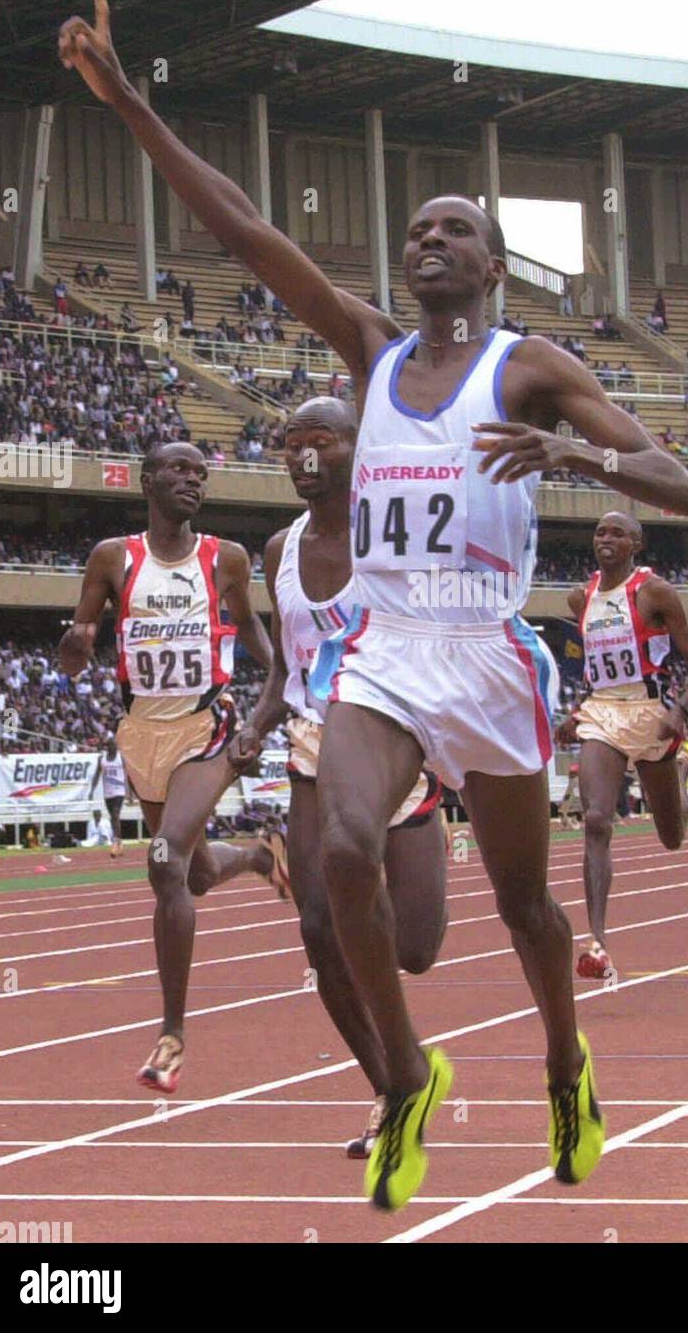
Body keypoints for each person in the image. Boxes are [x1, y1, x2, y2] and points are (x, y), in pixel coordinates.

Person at [58, 0, 688, 1210]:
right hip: (392, 644)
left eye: (453, 229)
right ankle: (406, 1075)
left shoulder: (528, 365)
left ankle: (565, 1062)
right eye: (415, 229)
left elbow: (674, 479)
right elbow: (248, 230)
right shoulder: (371, 351)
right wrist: (130, 102)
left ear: (494, 265)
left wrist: (572, 454)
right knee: (342, 845)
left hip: (489, 651)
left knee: (524, 904)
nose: (427, 241)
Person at [228, 397, 448, 1160]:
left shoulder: (397, 535)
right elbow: (287, 665)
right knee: (322, 932)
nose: (303, 458)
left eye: (320, 443)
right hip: (315, 747)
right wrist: (257, 723)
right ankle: (394, 1087)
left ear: (361, 448)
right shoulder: (278, 549)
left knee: (414, 948)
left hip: (395, 743)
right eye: (291, 445)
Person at [58, 440, 288, 1095]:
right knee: (198, 874)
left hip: (206, 726)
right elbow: (75, 653)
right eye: (179, 470)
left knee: (164, 862)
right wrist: (74, 645)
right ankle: (260, 855)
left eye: (201, 474)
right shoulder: (113, 557)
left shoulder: (225, 558)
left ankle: (172, 1035)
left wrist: (278, 689)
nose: (193, 480)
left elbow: (252, 631)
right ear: (147, 481)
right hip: (142, 735)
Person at [557, 513, 688, 979]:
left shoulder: (654, 593)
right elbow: (596, 667)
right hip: (603, 712)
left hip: (651, 714)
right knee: (596, 819)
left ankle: (677, 776)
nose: (606, 538)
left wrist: (680, 710)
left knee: (672, 837)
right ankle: (598, 942)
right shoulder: (581, 597)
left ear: (636, 544)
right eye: (600, 532)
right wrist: (577, 711)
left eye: (617, 533)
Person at [92, 734, 127, 857]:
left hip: (119, 791)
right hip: (108, 792)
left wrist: (130, 793)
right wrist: (91, 790)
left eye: (116, 745)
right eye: (112, 745)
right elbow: (97, 774)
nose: (115, 747)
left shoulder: (120, 758)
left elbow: (128, 774)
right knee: (113, 817)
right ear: (108, 747)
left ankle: (115, 843)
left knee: (115, 815)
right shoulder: (102, 759)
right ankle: (120, 843)